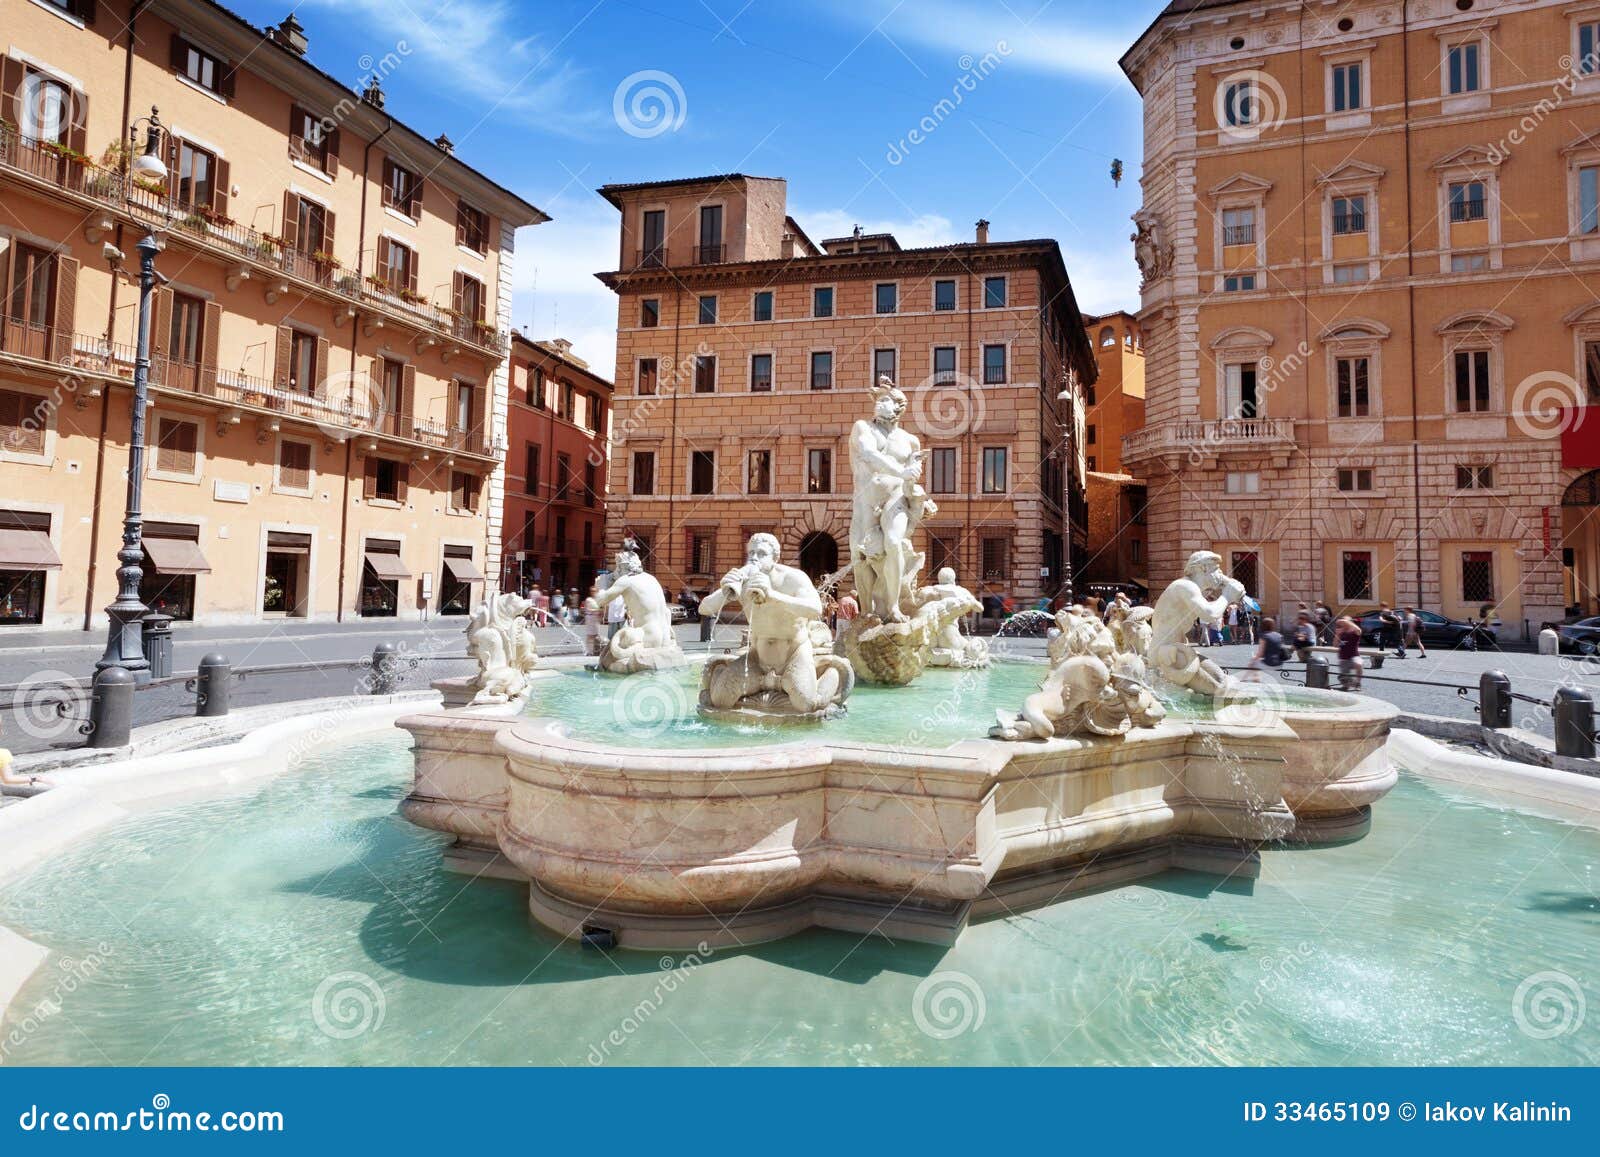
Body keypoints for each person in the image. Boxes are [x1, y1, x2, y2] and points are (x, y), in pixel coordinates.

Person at [1335, 615, 1363, 690]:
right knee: (1345, 680)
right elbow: (1335, 645)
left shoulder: (1354, 632)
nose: (1343, 624)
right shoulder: (1341, 633)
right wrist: (1337, 634)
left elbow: (1359, 630)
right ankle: (1348, 685)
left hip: (1354, 656)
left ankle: (1358, 683)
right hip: (1343, 658)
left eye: (1345, 622)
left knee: (1358, 664)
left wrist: (1346, 621)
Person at [582, 586, 603, 656]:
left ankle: (595, 650)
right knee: (590, 635)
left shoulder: (598, 599)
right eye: (592, 591)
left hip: (596, 618)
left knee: (596, 635)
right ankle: (589, 651)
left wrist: (601, 614)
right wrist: (598, 610)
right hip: (590, 617)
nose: (593, 592)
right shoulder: (588, 599)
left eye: (594, 591)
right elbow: (588, 609)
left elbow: (602, 608)